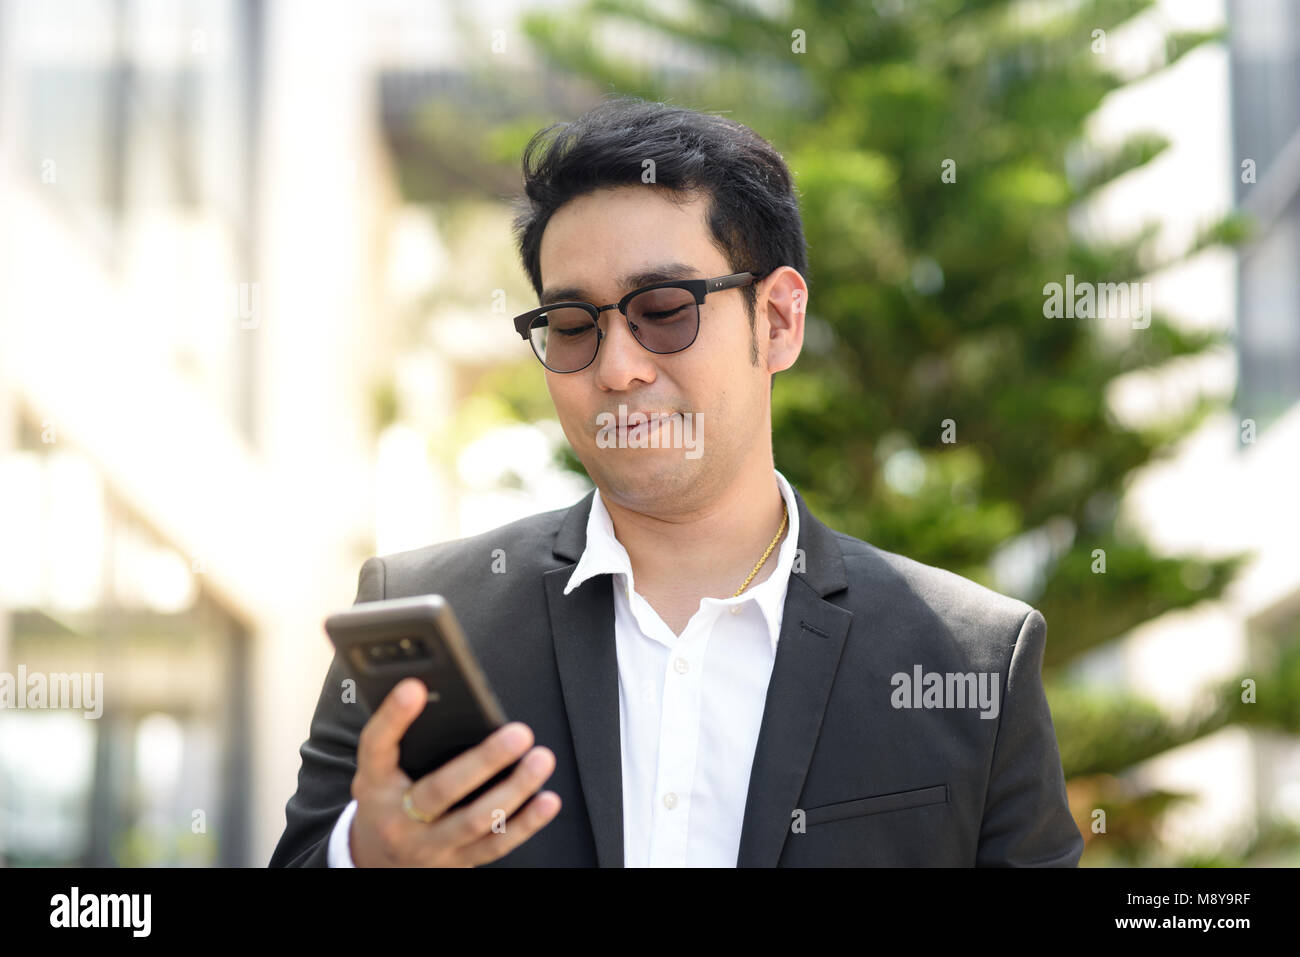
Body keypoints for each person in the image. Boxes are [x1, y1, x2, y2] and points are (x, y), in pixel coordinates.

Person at [270, 96, 1083, 868]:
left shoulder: (972, 658)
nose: (619, 368)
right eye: (572, 324)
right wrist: (365, 855)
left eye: (665, 308)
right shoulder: (424, 617)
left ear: (778, 319)